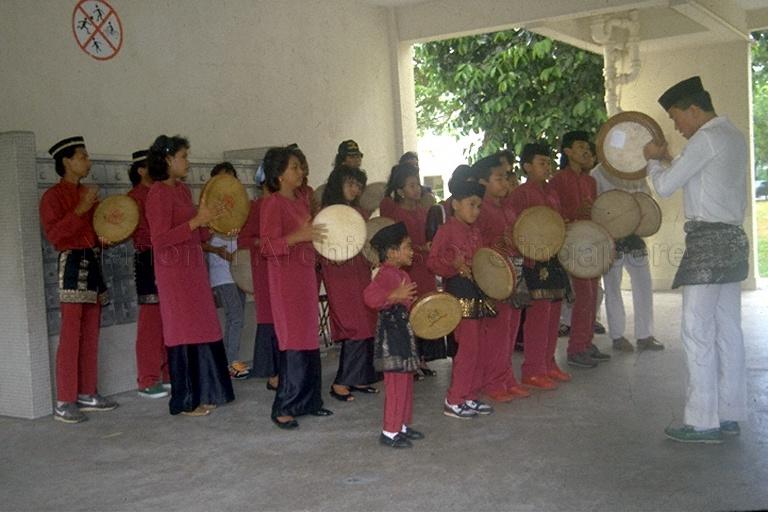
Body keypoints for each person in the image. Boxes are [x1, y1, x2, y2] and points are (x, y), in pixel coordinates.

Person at [644, 76, 748, 444]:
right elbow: (696, 175)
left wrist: (654, 163)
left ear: (694, 109)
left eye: (676, 118)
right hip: (733, 239)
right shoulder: (732, 135)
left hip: (707, 242)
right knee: (728, 329)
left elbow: (667, 185)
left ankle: (702, 419)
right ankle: (730, 412)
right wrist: (670, 160)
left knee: (696, 328)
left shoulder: (705, 138)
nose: (677, 127)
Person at [145, 135, 235, 417]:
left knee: (204, 328)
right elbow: (159, 240)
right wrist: (197, 220)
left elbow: (197, 232)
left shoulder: (182, 190)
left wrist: (217, 222)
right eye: (184, 156)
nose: (187, 161)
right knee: (183, 332)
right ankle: (184, 401)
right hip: (174, 274)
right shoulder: (158, 193)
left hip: (194, 269)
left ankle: (208, 392)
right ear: (168, 159)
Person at [40, 136, 118, 423]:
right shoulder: (52, 197)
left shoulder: (89, 193)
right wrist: (82, 208)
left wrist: (110, 235)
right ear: (67, 162)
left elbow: (98, 233)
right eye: (83, 157)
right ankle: (65, 400)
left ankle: (87, 392)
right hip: (72, 263)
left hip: (92, 261)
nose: (88, 161)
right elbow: (55, 236)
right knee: (71, 334)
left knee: (91, 331)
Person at [260, 147, 333, 429]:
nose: (300, 172)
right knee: (292, 341)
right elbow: (266, 247)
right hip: (285, 281)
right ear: (279, 174)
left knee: (309, 339)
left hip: (304, 277)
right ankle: (284, 406)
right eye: (294, 168)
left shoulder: (302, 201)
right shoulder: (272, 203)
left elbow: (308, 238)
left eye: (300, 167)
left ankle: (310, 401)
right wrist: (298, 236)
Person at [428, 180, 496, 419]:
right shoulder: (446, 230)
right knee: (467, 349)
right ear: (455, 204)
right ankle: (454, 399)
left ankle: (470, 395)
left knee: (479, 348)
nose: (475, 211)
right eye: (471, 205)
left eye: (479, 206)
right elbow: (432, 262)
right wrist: (454, 266)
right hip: (459, 293)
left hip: (479, 292)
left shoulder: (476, 231)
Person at [508, 143, 572, 388]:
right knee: (538, 315)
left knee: (554, 312)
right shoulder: (520, 194)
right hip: (533, 261)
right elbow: (516, 229)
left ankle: (548, 362)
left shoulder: (552, 193)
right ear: (526, 167)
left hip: (554, 257)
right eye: (541, 163)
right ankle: (532, 369)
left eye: (548, 162)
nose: (547, 167)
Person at [549, 131, 611, 368]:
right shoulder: (558, 180)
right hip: (571, 243)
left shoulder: (590, 181)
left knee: (593, 295)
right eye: (580, 146)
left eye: (587, 146)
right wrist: (575, 216)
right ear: (567, 152)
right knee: (583, 296)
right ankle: (576, 349)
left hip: (589, 242)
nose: (586, 151)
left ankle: (586, 342)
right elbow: (554, 215)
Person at [471, 154, 530, 401]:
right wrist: (495, 244)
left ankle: (507, 378)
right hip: (492, 277)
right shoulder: (478, 209)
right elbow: (474, 244)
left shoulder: (508, 207)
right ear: (483, 182)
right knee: (496, 332)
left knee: (510, 328)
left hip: (514, 271)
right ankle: (493, 382)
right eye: (499, 178)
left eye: (506, 178)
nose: (505, 183)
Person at [319, 165, 379, 402]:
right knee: (355, 326)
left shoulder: (359, 213)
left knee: (366, 324)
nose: (355, 189)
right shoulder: (326, 213)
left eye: (358, 185)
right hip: (339, 274)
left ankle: (359, 377)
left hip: (360, 272)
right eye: (350, 184)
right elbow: (322, 247)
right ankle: (341, 382)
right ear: (337, 184)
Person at [591, 163, 664, 352]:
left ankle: (645, 335)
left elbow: (647, 200)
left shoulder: (635, 171)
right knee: (613, 287)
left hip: (635, 237)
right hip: (610, 238)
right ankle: (617, 336)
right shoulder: (598, 173)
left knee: (644, 285)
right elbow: (595, 208)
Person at [364, 222, 425, 448]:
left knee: (406, 380)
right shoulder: (385, 274)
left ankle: (402, 425)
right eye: (407, 247)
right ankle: (389, 431)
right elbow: (369, 297)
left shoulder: (400, 274)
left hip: (403, 334)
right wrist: (393, 295)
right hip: (391, 337)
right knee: (396, 383)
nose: (412, 251)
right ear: (391, 252)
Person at [380, 163, 438, 377]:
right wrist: (421, 247)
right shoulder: (396, 214)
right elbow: (397, 245)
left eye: (417, 184)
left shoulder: (424, 211)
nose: (417, 189)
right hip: (408, 271)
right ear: (401, 190)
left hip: (426, 269)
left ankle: (422, 359)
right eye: (411, 185)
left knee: (425, 311)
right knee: (409, 314)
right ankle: (410, 362)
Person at [202, 162, 250, 380]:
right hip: (222, 272)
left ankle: (229, 362)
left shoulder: (239, 205)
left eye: (231, 178)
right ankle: (230, 364)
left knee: (237, 316)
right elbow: (198, 240)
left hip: (238, 269)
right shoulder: (206, 209)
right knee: (236, 316)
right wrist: (216, 250)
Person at [128, 149, 169, 399]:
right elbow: (143, 234)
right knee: (151, 322)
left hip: (166, 257)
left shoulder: (161, 192)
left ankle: (167, 374)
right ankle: (147, 379)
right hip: (148, 257)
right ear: (141, 170)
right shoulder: (133, 198)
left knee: (169, 319)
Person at [238, 172, 279, 391]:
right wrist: (264, 241)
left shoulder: (284, 203)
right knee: (270, 321)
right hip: (264, 269)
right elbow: (243, 239)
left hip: (283, 268)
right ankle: (273, 374)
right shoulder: (256, 207)